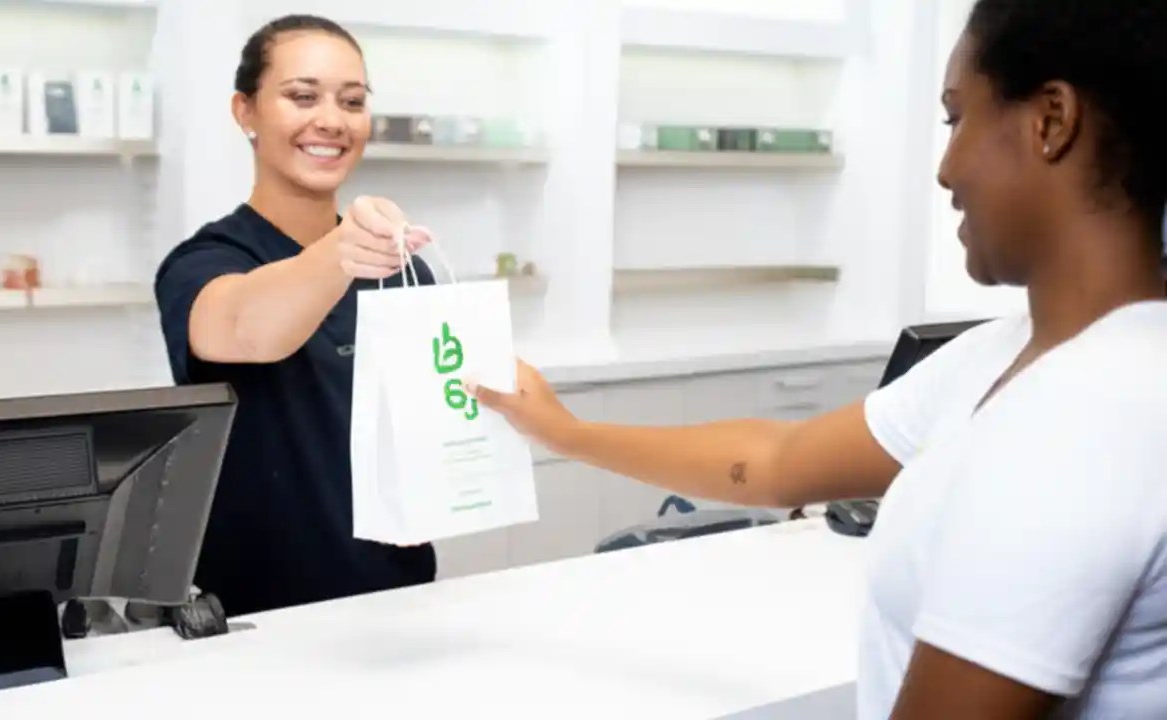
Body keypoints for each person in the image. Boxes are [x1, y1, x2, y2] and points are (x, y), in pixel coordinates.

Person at [475, 1, 1167, 717]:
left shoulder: (1083, 421)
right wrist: (565, 433)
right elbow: (778, 461)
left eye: (956, 118)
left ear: (1050, 121)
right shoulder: (1007, 353)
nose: (945, 168)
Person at [154, 15, 438, 616]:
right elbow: (246, 329)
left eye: (353, 101)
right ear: (245, 111)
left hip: (401, 598)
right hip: (262, 618)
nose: (332, 120)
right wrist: (341, 252)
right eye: (301, 96)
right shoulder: (204, 262)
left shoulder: (402, 267)